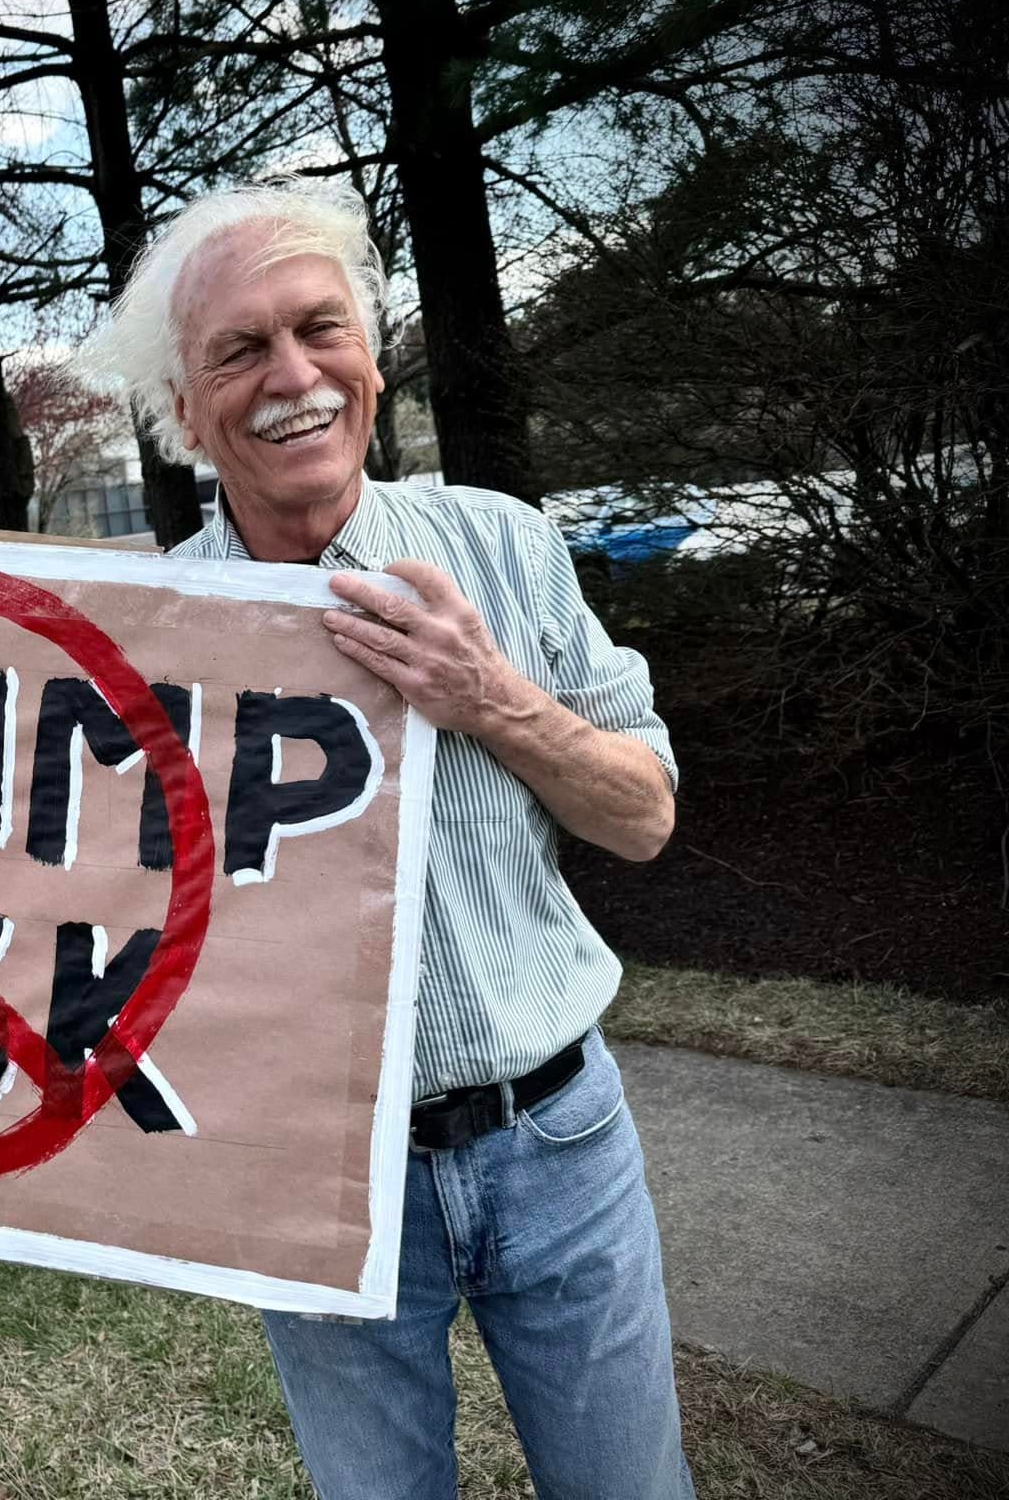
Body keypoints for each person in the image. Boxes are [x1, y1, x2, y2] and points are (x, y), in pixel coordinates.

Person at [73, 178, 689, 1498]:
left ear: (370, 352)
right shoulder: (140, 640)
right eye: (239, 350)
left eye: (320, 329)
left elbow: (643, 817)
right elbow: (41, 918)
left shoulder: (504, 547)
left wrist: (492, 700)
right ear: (184, 411)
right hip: (313, 1179)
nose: (293, 376)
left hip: (560, 1144)